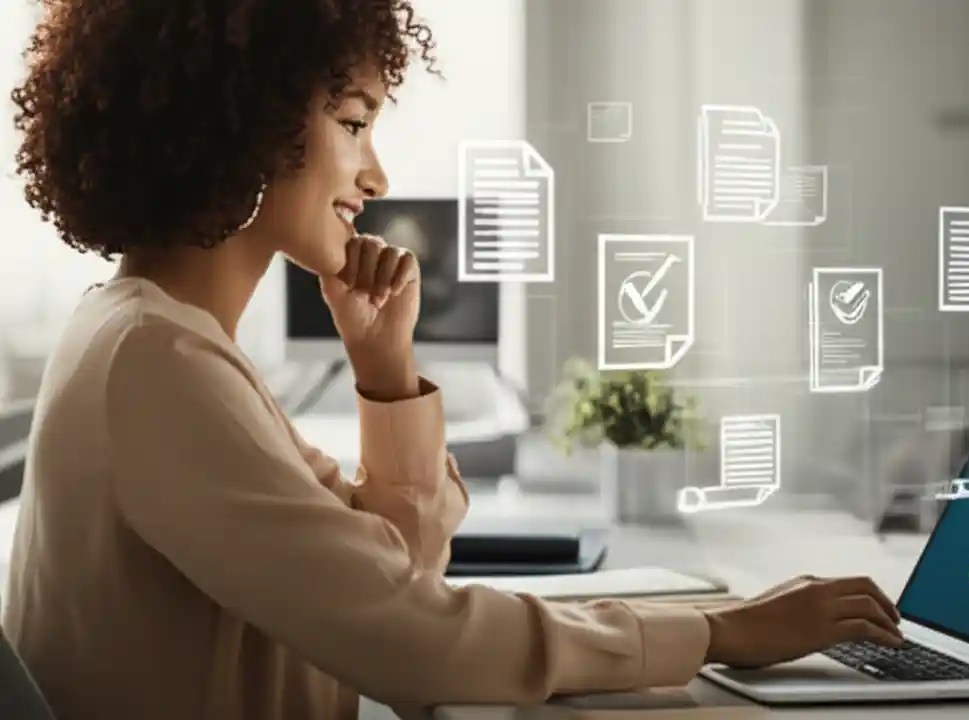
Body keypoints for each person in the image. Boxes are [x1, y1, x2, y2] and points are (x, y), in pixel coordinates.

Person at [0, 2, 904, 718]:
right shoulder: (159, 365)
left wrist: (385, 373)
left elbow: (388, 578)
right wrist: (715, 631)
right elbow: (413, 641)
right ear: (243, 125)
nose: (377, 175)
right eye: (354, 123)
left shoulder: (154, 339)